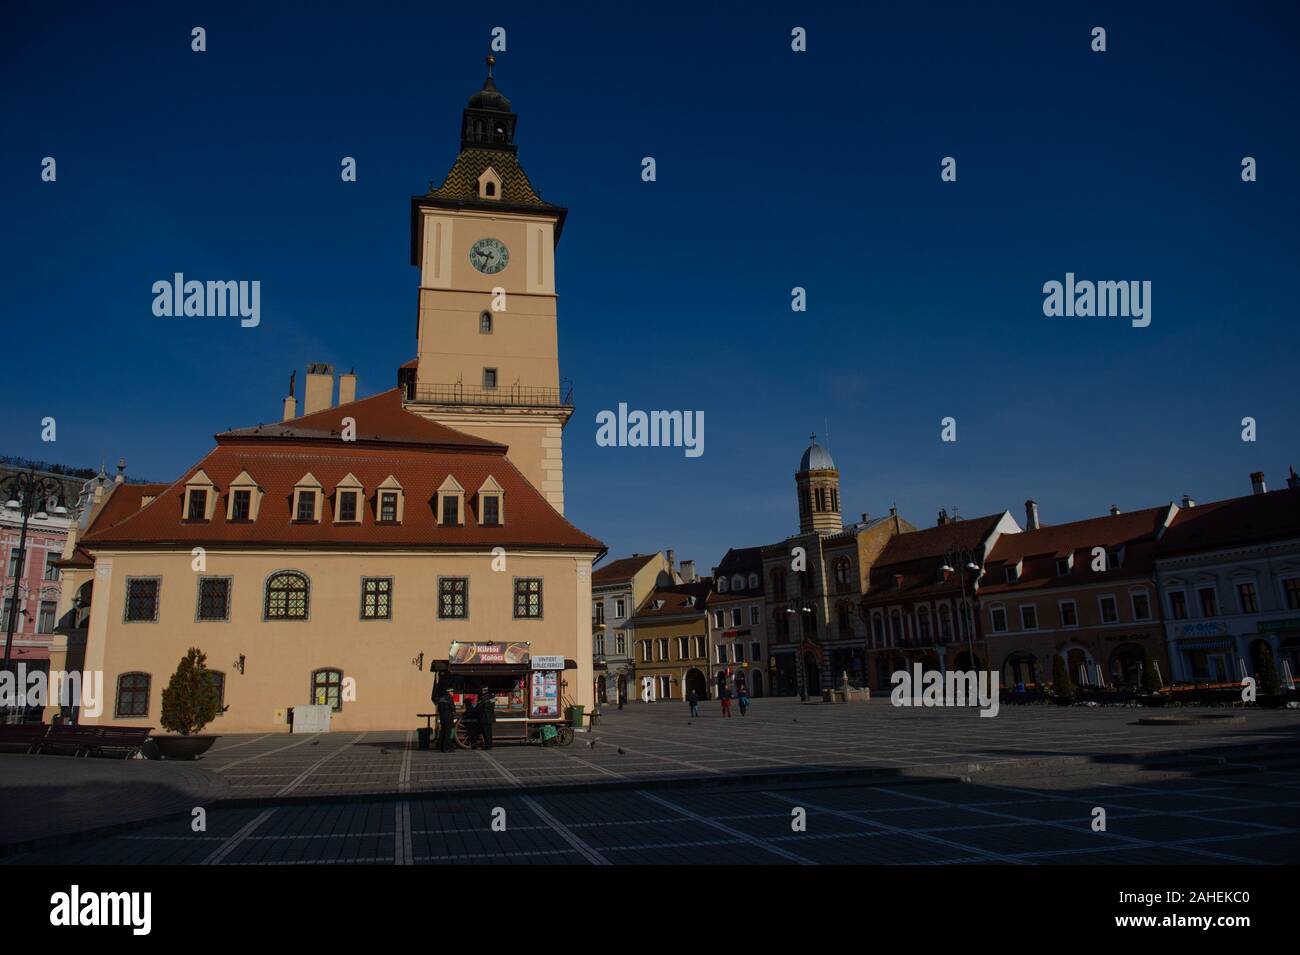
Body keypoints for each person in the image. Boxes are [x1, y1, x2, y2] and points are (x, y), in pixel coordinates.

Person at [435, 686, 456, 752]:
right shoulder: (449, 699)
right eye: (452, 692)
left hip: (442, 718)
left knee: (443, 733)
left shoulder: (441, 699)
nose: (453, 693)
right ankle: (446, 748)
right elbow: (453, 708)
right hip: (449, 718)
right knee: (447, 733)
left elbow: (438, 709)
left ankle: (442, 747)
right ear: (449, 692)